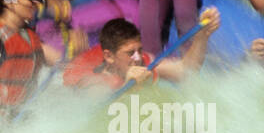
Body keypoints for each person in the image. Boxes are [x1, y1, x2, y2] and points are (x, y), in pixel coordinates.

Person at [63, 10, 220, 91]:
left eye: (139, 49)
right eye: (130, 53)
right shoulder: (94, 82)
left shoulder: (142, 61)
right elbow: (97, 114)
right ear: (109, 57)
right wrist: (127, 87)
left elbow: (185, 71)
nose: (137, 57)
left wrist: (202, 37)